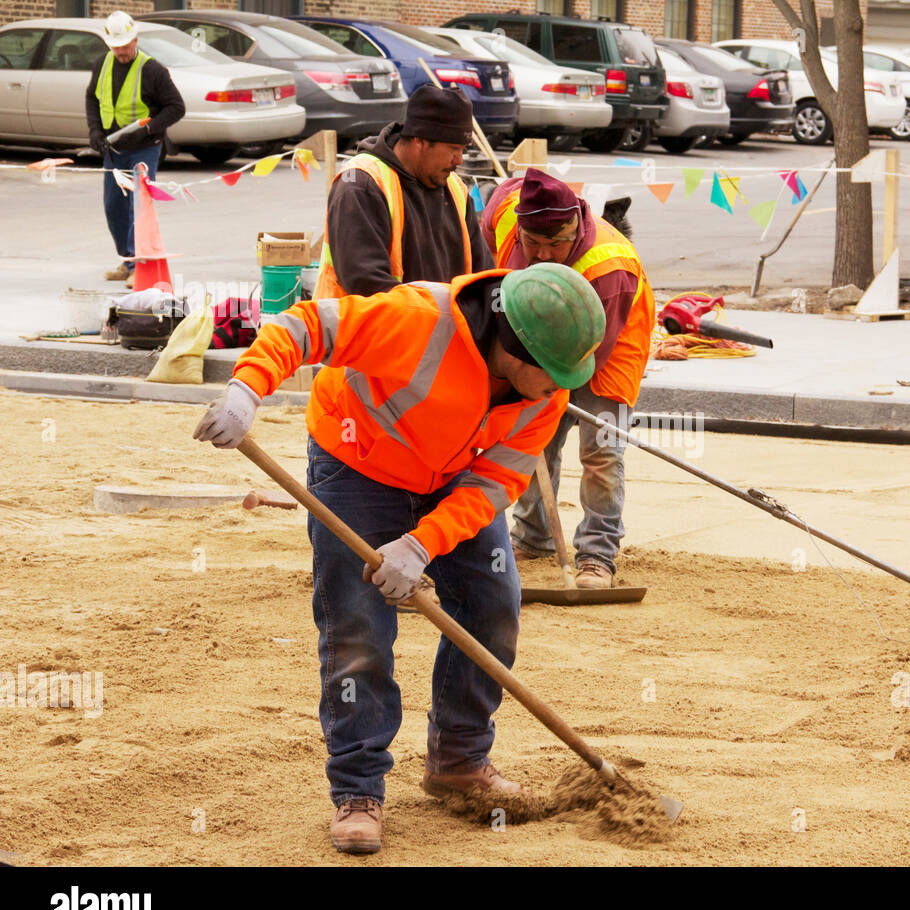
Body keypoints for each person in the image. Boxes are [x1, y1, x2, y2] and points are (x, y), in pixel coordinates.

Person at [192, 263, 604, 855]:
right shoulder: (415, 321)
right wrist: (245, 390)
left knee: (493, 601)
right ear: (513, 346)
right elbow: (305, 325)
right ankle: (358, 789)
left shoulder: (547, 389)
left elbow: (494, 483)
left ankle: (459, 760)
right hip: (358, 463)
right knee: (358, 623)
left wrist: (422, 543)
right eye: (553, 374)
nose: (560, 388)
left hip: (452, 475)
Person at [483, 169, 655, 589]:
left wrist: (546, 386)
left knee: (601, 449)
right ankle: (534, 535)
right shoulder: (506, 215)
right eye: (532, 243)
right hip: (538, 329)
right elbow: (492, 223)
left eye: (555, 243)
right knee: (535, 440)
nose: (542, 254)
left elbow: (590, 354)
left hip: (607, 345)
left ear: (576, 225)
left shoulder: (610, 266)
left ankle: (598, 553)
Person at [315, 85, 491, 298]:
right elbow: (366, 284)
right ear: (420, 141)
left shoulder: (456, 190)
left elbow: (484, 275)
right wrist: (440, 313)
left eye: (463, 150)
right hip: (366, 329)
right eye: (454, 149)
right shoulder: (361, 184)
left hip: (436, 328)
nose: (460, 160)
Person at [85, 11, 185, 287]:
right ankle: (127, 259)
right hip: (113, 149)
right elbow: (92, 99)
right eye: (116, 47)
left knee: (137, 208)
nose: (122, 52)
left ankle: (139, 266)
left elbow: (176, 108)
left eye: (126, 46)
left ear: (136, 40)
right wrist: (95, 131)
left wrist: (151, 127)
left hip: (144, 149)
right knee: (113, 206)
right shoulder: (101, 65)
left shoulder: (153, 70)